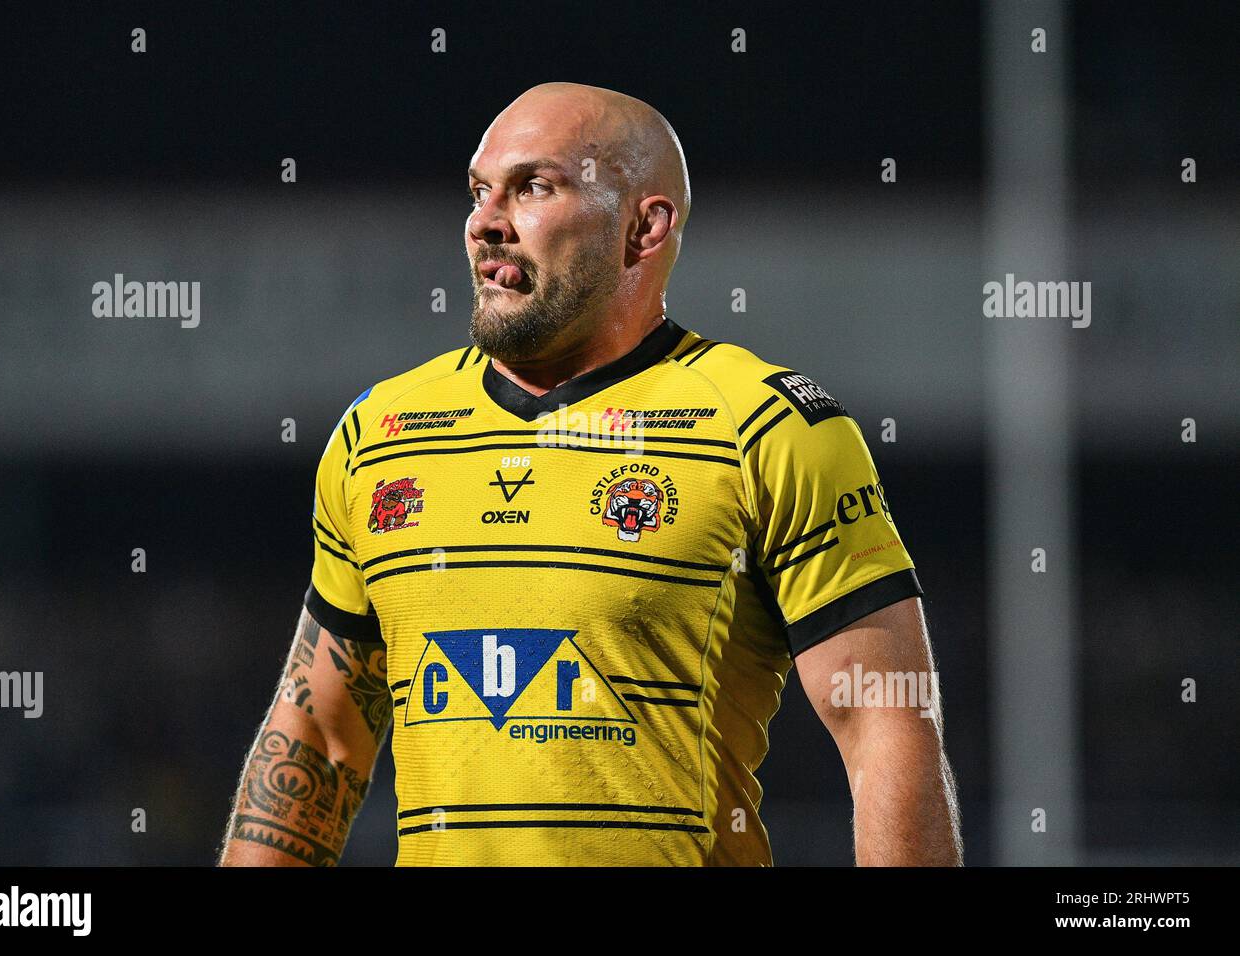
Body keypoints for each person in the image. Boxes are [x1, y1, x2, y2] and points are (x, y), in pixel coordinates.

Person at [218, 81, 962, 866]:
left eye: (534, 187)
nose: (484, 223)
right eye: (478, 192)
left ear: (644, 227)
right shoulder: (380, 434)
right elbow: (321, 737)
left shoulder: (769, 426)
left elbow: (886, 726)